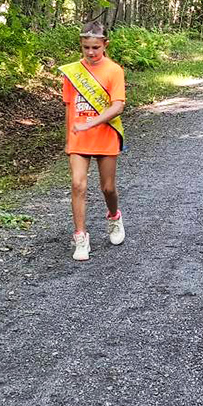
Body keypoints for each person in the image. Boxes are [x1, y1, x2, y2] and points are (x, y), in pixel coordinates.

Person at [59, 21, 126, 261]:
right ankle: (80, 235)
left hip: (106, 135)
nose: (90, 52)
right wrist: (70, 137)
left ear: (105, 45)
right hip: (79, 138)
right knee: (78, 184)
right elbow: (69, 106)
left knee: (107, 187)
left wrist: (92, 122)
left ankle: (114, 216)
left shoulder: (114, 70)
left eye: (95, 47)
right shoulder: (72, 72)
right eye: (86, 47)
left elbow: (118, 105)